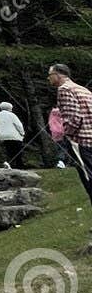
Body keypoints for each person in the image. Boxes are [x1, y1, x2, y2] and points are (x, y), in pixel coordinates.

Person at [48, 64, 92, 202]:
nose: (48, 78)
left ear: (58, 74)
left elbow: (74, 117)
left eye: (50, 75)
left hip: (80, 141)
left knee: (88, 177)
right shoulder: (83, 89)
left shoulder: (64, 89)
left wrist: (67, 134)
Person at [0, 102, 27, 168]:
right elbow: (18, 125)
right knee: (18, 151)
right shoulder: (12, 115)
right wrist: (22, 133)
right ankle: (19, 165)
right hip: (14, 136)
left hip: (3, 136)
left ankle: (9, 163)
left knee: (9, 150)